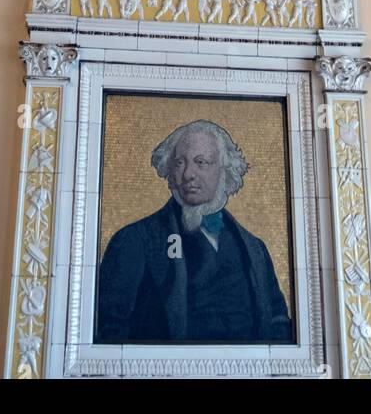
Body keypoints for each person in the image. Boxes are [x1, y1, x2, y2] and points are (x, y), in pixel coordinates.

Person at [97, 120, 292, 343]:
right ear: (169, 172)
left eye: (201, 162)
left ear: (225, 170)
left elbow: (277, 324)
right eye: (179, 163)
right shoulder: (134, 241)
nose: (188, 173)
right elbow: (108, 328)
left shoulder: (255, 249)